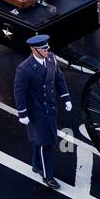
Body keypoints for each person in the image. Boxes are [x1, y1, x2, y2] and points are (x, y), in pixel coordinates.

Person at [14, 35, 71, 189]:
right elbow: (20, 92)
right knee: (44, 143)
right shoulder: (24, 69)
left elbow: (59, 78)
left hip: (50, 109)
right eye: (43, 48)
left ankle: (36, 165)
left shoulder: (51, 59)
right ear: (34, 49)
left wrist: (66, 97)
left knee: (44, 139)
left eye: (47, 47)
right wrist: (22, 113)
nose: (47, 50)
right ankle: (48, 176)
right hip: (36, 112)